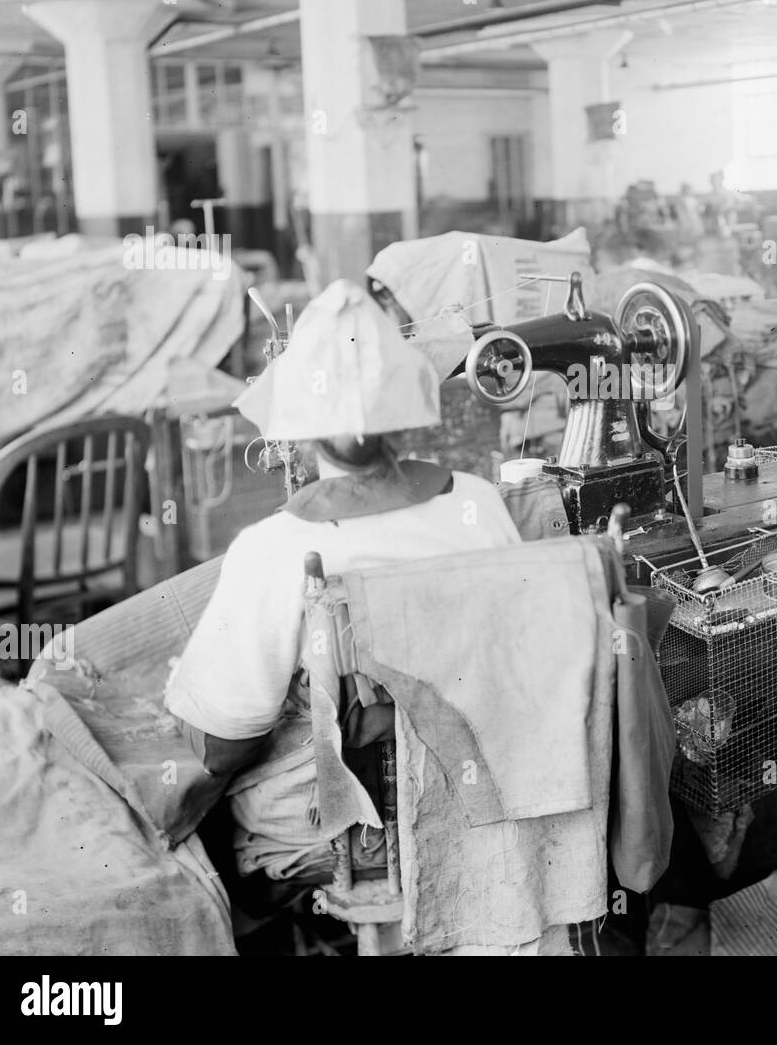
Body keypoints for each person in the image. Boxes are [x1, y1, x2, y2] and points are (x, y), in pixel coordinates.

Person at [164, 279, 521, 884]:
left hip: (353, 827)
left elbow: (223, 741)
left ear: (297, 427)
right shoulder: (481, 505)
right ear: (407, 414)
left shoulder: (273, 548)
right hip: (477, 788)